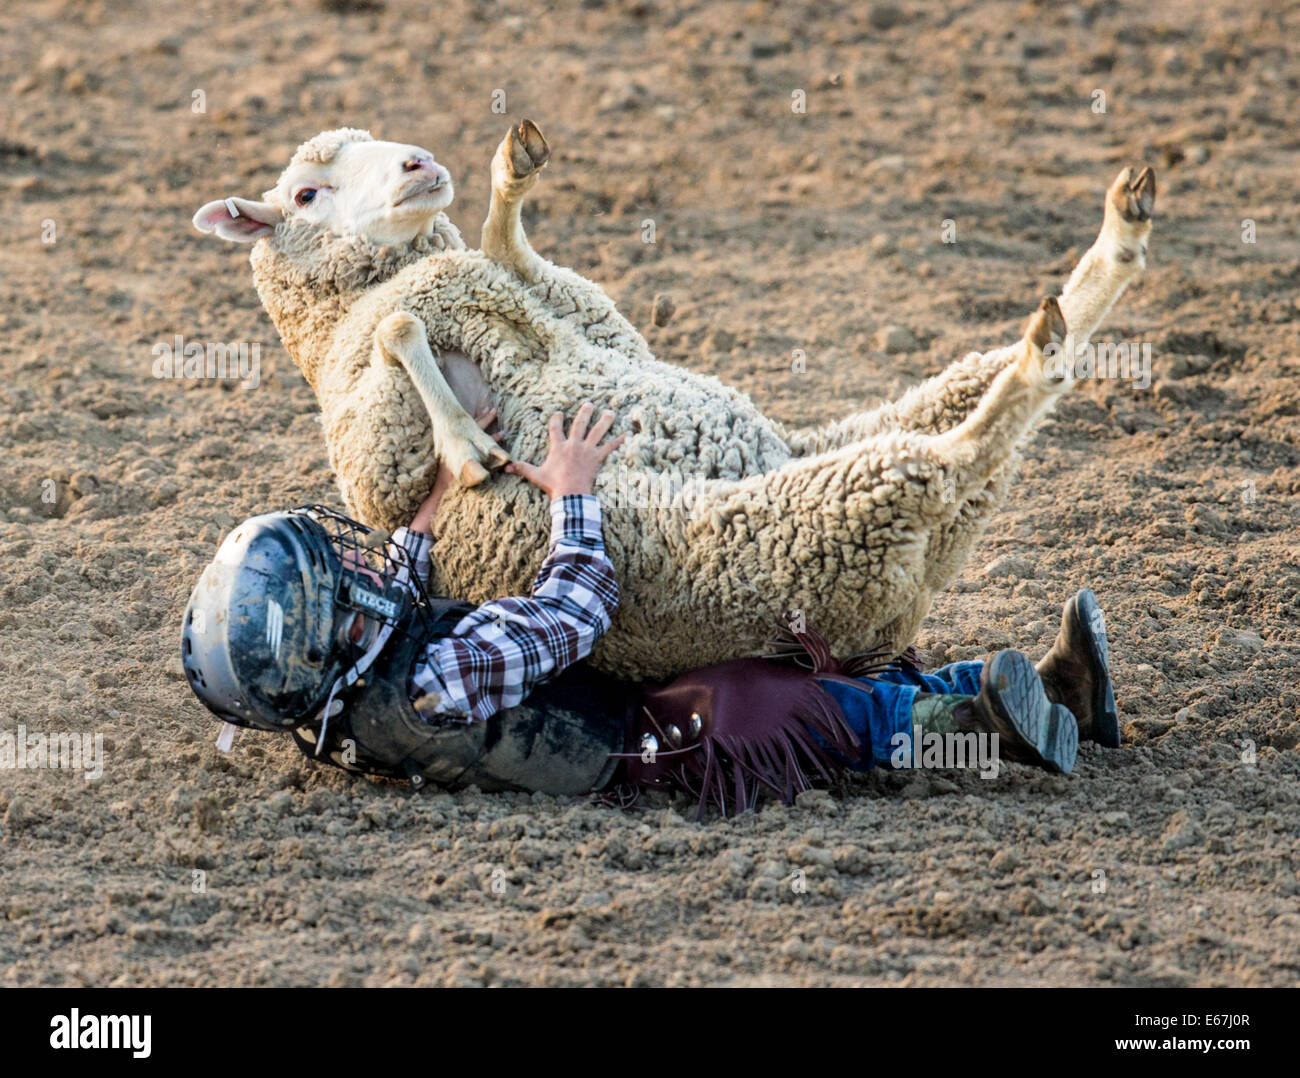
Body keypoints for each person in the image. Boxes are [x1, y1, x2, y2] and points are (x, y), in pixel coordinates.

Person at [181, 404, 1120, 816]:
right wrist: (571, 494)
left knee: (784, 682)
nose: (357, 563)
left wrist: (430, 502)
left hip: (616, 742)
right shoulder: (441, 676)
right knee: (767, 702)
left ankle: (1060, 694)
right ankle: (979, 722)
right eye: (337, 582)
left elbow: (386, 597)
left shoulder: (324, 696)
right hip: (648, 755)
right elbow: (578, 608)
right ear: (337, 632)